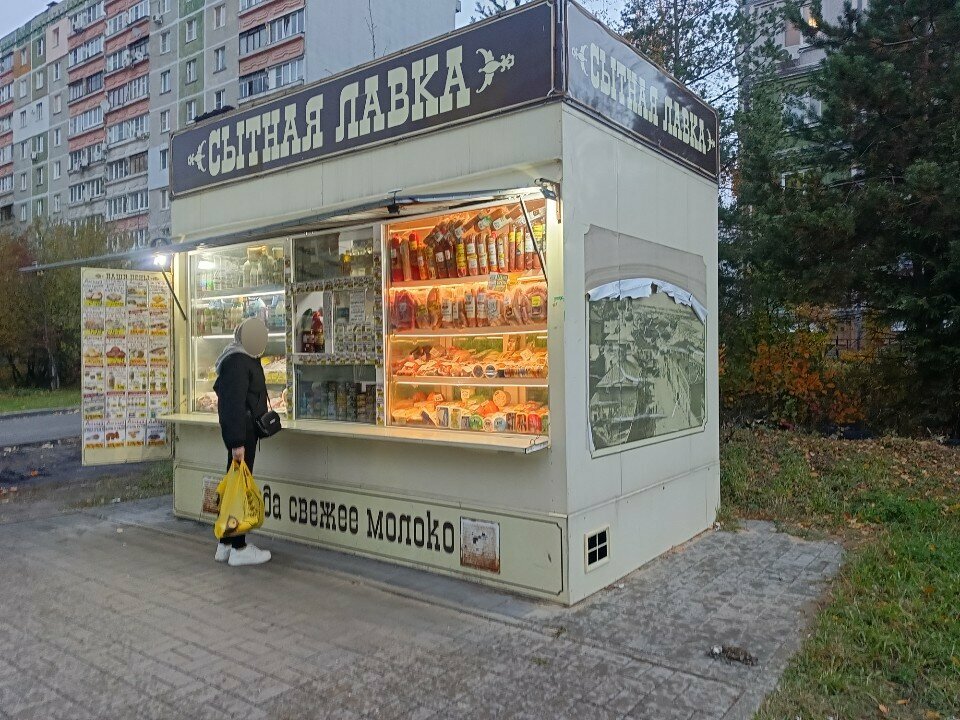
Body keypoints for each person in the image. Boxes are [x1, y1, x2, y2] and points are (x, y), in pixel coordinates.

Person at [213, 317, 273, 567]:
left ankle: (226, 544)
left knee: (234, 487)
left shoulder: (239, 357)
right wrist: (237, 442)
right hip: (242, 434)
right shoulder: (237, 362)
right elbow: (233, 405)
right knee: (240, 490)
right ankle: (239, 548)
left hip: (243, 433)